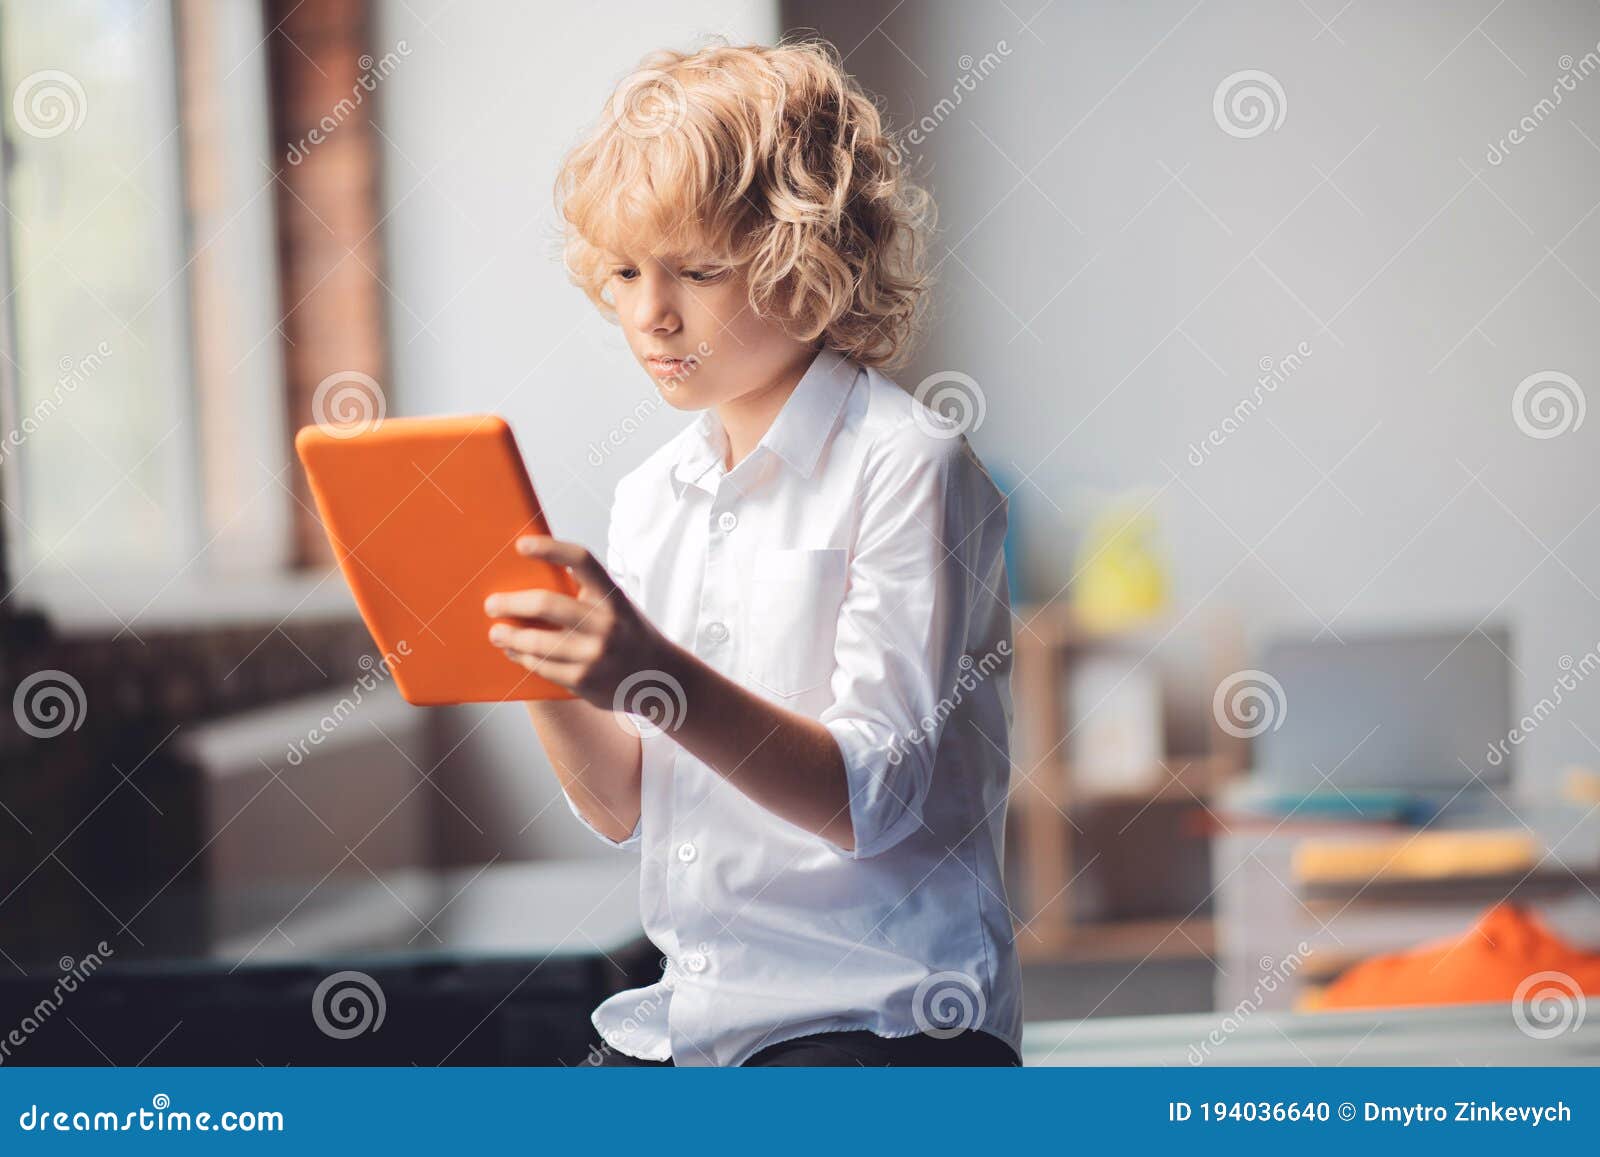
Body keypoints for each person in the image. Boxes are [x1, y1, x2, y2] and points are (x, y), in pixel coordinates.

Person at [483, 37, 1021, 1067]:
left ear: (807, 264)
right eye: (627, 271)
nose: (650, 314)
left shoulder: (909, 463)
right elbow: (619, 804)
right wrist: (533, 661)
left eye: (698, 270)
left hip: (883, 1016)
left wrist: (650, 671)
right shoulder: (651, 496)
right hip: (698, 1018)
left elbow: (872, 797)